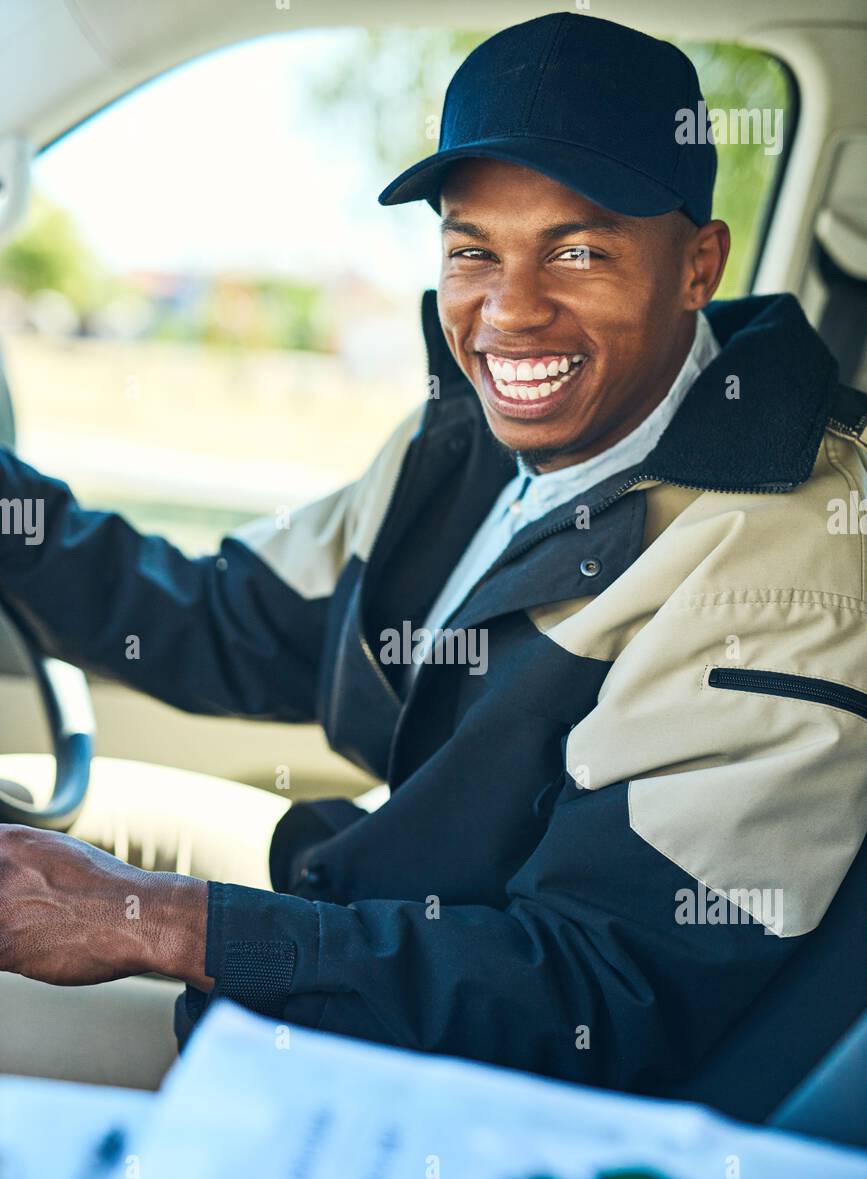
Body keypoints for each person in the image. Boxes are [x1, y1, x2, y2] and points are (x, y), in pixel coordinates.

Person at [1, 12, 865, 1094]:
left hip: (462, 1064)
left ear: (698, 266)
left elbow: (599, 992)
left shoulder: (782, 551)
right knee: (39, 798)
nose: (511, 310)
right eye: (472, 250)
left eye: (579, 249)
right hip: (376, 902)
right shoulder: (464, 435)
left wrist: (164, 925)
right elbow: (227, 623)